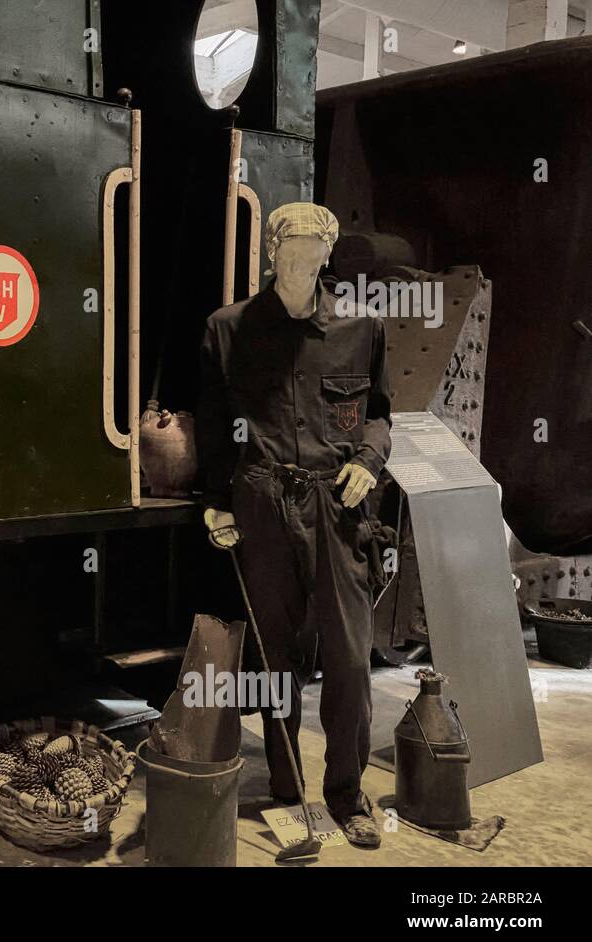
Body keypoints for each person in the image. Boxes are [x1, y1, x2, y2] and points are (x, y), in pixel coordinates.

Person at [195, 201, 392, 848]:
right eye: (290, 246)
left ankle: (346, 794)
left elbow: (381, 413)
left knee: (349, 658)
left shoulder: (361, 328)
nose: (301, 258)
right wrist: (215, 501)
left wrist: (369, 458)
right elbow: (212, 420)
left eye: (313, 248)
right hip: (262, 502)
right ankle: (286, 788)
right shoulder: (228, 329)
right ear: (271, 253)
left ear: (328, 254)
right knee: (273, 655)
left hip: (337, 507)